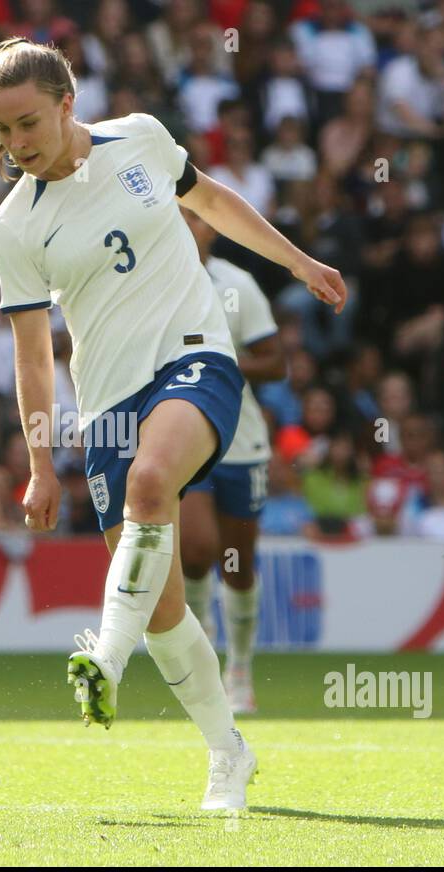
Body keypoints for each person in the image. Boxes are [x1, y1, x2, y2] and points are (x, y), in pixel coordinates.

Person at [0, 37, 346, 810]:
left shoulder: (142, 137)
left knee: (152, 482)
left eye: (28, 124)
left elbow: (210, 200)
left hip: (196, 359)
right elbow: (34, 357)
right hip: (107, 404)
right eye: (3, 130)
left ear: (68, 104)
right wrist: (44, 465)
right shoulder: (15, 226)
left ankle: (102, 659)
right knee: (165, 609)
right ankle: (227, 752)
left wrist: (296, 262)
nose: (16, 145)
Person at [178, 204, 284, 714]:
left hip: (241, 441)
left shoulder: (237, 284)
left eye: (196, 217)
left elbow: (277, 361)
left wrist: (221, 362)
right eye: (176, 216)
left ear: (211, 228)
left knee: (236, 565)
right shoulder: (150, 284)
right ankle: (202, 664)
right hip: (186, 439)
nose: (187, 224)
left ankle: (239, 666)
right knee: (196, 549)